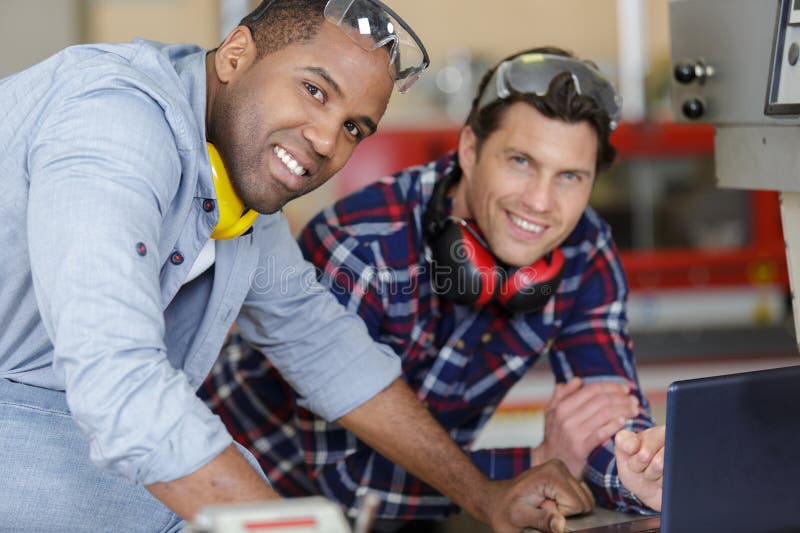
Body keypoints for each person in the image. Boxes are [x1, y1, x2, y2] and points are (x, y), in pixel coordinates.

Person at [0, 2, 594, 532]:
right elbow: (118, 383)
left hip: (44, 423)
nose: (325, 140)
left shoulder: (241, 187)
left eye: (354, 127)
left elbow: (321, 345)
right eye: (315, 90)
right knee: (197, 496)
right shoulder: (113, 126)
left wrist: (484, 496)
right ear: (236, 54)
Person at [201, 45, 660, 530]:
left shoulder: (584, 247)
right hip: (239, 499)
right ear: (469, 149)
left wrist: (633, 470)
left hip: (417, 510)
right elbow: (347, 487)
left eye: (570, 176)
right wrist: (540, 461)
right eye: (521, 161)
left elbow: (607, 414)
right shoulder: (362, 247)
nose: (541, 202)